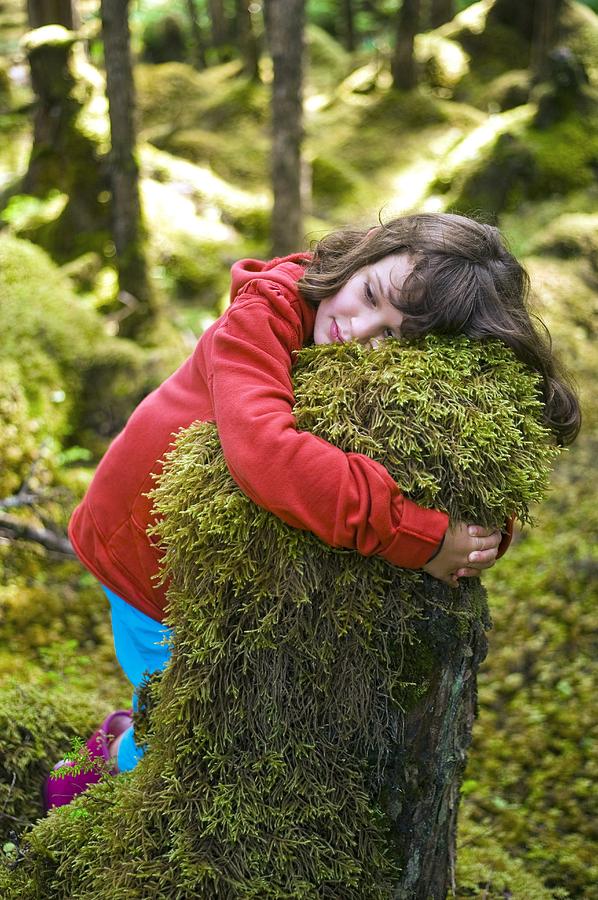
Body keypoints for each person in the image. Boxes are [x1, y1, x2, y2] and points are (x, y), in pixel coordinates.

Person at [43, 213, 580, 810]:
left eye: (393, 336)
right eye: (369, 295)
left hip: (229, 578)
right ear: (363, 255)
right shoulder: (264, 313)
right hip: (144, 557)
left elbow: (446, 465)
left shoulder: (379, 365)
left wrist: (479, 531)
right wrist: (421, 536)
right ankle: (85, 783)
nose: (358, 329)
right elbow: (267, 457)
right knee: (182, 727)